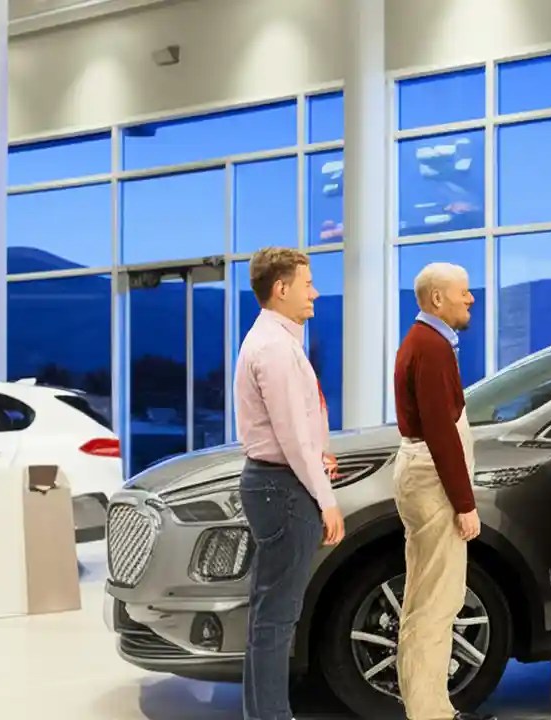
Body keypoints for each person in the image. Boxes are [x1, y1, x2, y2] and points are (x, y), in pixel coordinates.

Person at [233, 247, 345, 720]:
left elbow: (296, 429)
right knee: (278, 619)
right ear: (281, 289)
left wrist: (317, 450)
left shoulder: (273, 340)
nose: (315, 292)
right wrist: (327, 498)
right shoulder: (275, 348)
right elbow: (292, 437)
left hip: (274, 483)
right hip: (282, 489)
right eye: (307, 283)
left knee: (268, 616)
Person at [392, 262, 494, 720]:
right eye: (463, 292)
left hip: (424, 475)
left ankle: (432, 708)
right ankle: (430, 713)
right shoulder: (431, 347)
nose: (470, 299)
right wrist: (465, 503)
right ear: (437, 299)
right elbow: (439, 431)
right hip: (433, 481)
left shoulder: (427, 342)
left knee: (426, 599)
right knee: (436, 604)